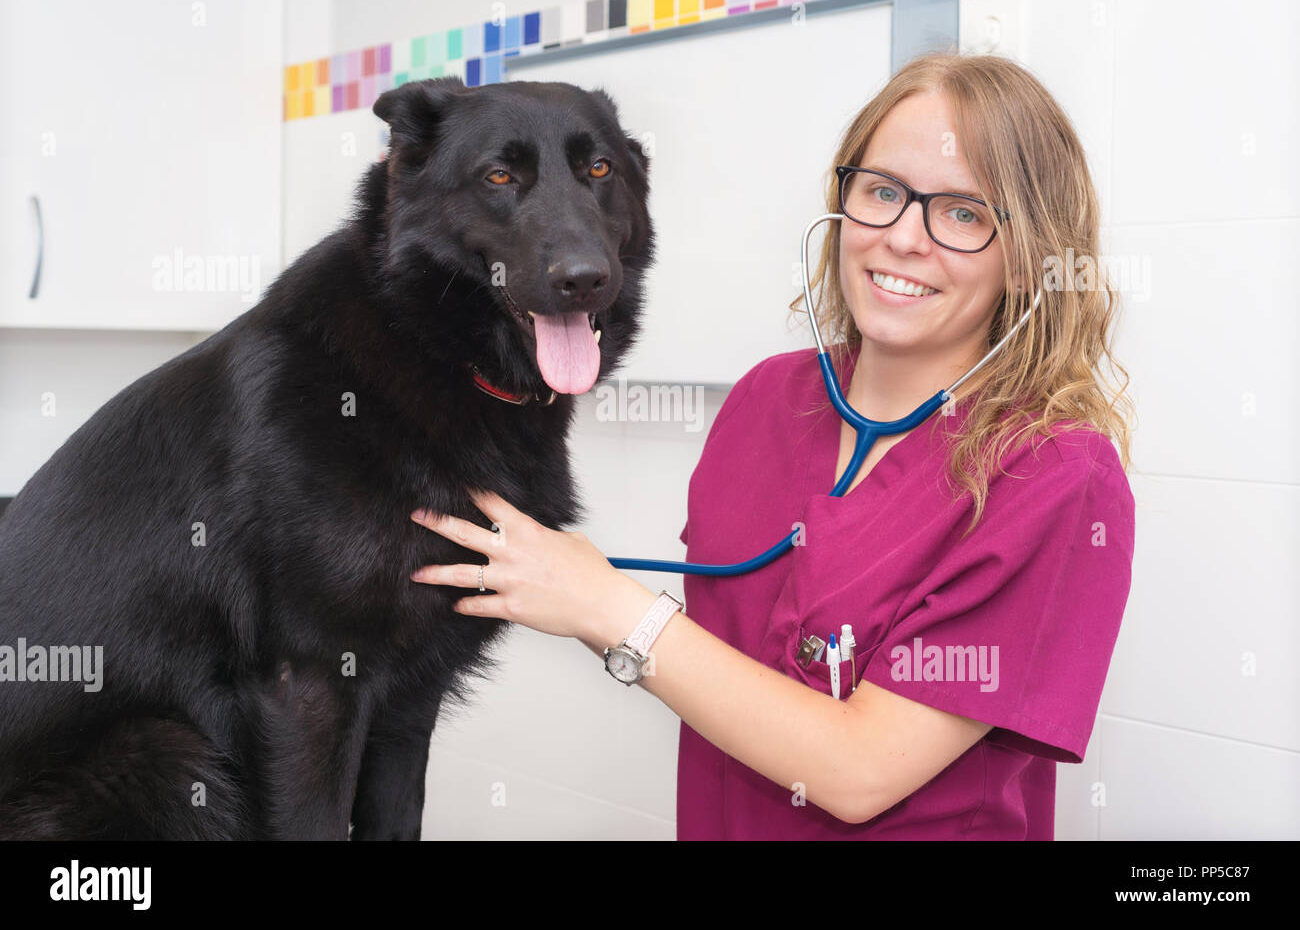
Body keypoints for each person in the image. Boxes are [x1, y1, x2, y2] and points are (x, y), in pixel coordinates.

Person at [409, 51, 1137, 840]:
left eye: (962, 213)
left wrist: (607, 604)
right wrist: (568, 593)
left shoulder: (1054, 472)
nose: (903, 238)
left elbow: (859, 772)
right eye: (883, 193)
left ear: (1029, 251)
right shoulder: (769, 400)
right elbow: (715, 672)